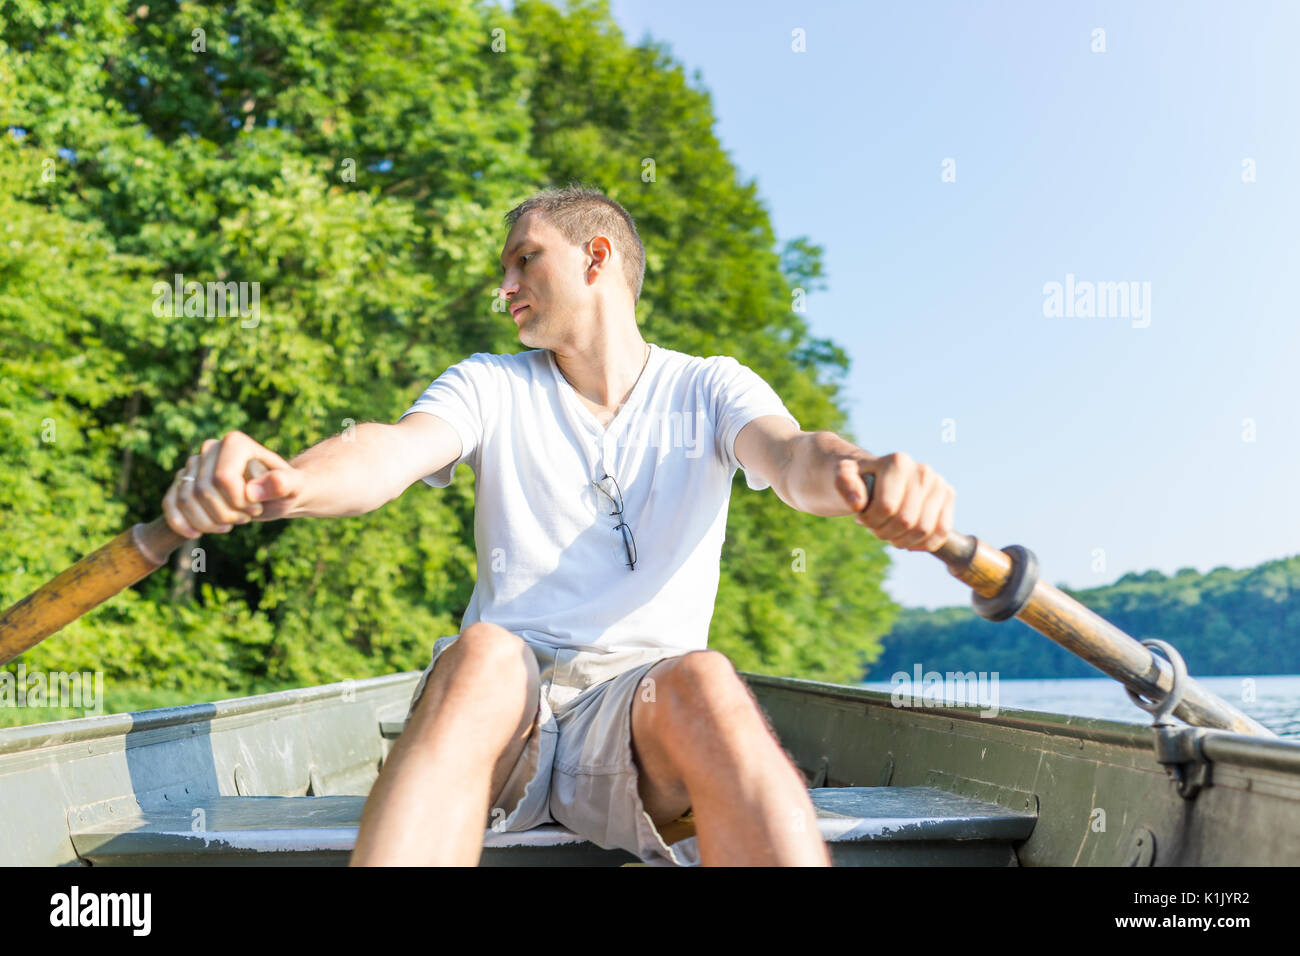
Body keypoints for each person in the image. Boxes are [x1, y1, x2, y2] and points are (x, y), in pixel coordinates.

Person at [161, 184, 956, 867]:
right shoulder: (489, 385)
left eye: (523, 260)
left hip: (640, 736)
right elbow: (389, 453)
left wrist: (865, 474)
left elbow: (794, 458)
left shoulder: (710, 389)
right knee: (483, 655)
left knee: (706, 676)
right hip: (501, 723)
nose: (504, 286)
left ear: (596, 258)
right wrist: (291, 482)